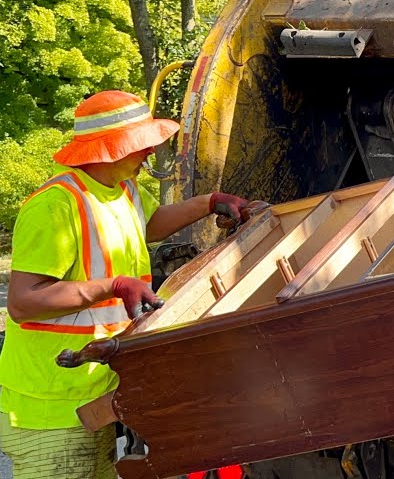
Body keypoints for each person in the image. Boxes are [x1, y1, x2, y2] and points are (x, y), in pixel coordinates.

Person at [0, 90, 256, 478]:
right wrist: (113, 285)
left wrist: (208, 202)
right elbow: (22, 302)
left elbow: (149, 224)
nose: (150, 154)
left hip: (95, 388)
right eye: (142, 146)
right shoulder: (55, 205)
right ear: (112, 149)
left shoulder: (123, 188)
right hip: (50, 404)